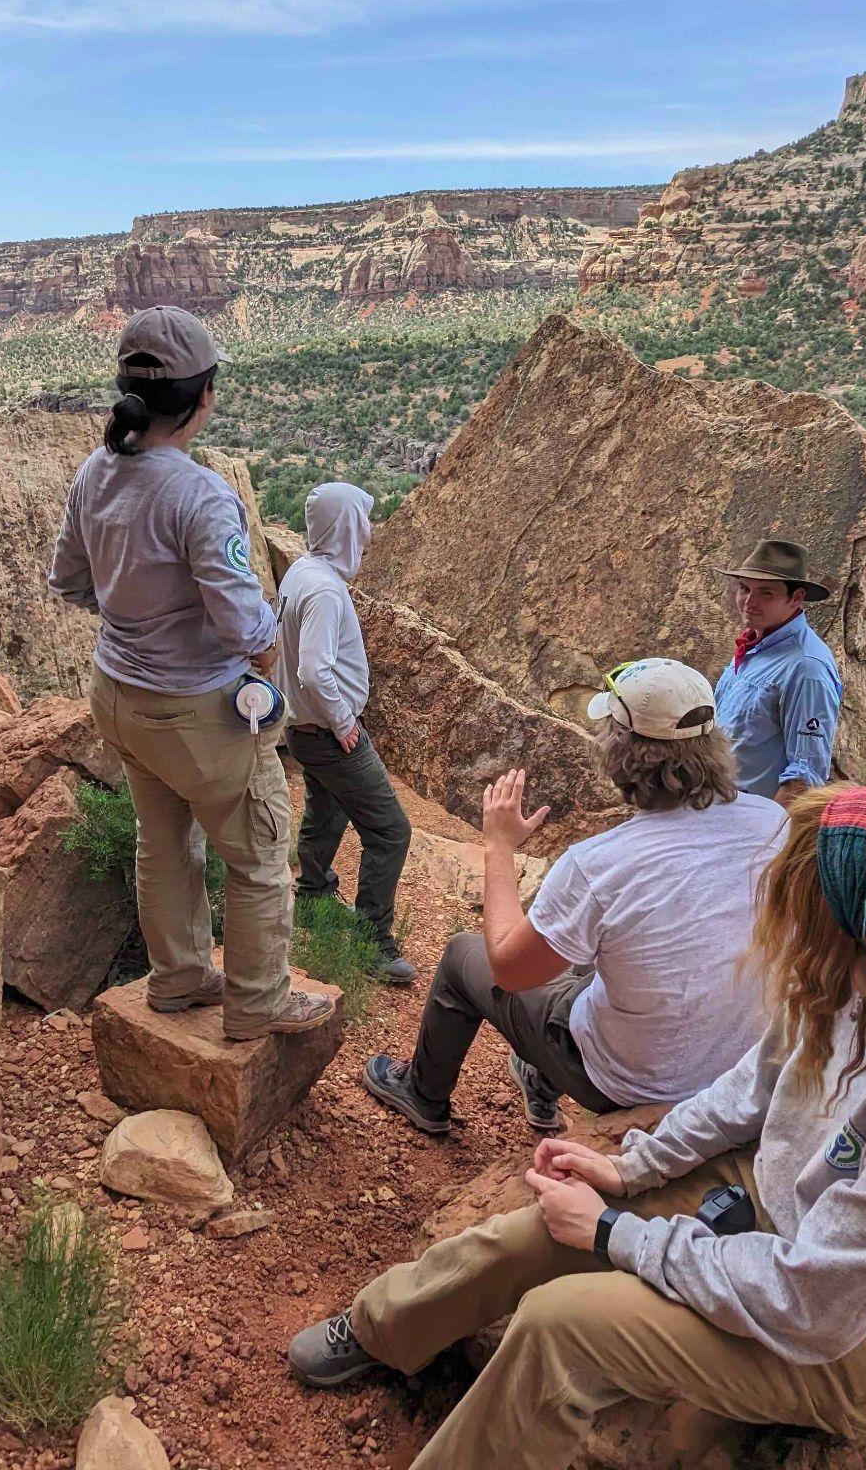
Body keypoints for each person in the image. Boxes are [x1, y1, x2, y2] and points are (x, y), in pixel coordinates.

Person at [289, 784, 866, 1470]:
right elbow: (752, 1089)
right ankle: (381, 1327)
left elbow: (814, 1308)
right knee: (527, 1236)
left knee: (562, 1331)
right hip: (787, 1222)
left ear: (863, 934)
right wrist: (633, 1169)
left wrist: (614, 1238)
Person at [49, 306, 332, 1042]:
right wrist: (267, 656)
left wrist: (135, 618)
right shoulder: (200, 494)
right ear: (203, 396)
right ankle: (259, 1004)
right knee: (262, 855)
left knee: (164, 837)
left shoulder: (96, 468)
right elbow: (245, 626)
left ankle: (177, 980)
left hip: (118, 694)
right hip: (195, 711)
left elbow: (70, 581)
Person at [360, 658, 786, 1137]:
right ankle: (539, 1079)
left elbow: (508, 969)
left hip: (630, 1081)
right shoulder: (773, 823)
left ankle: (422, 1093)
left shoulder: (597, 865)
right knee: (596, 953)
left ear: (619, 749)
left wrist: (498, 846)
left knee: (465, 956)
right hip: (733, 1070)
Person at [279, 482, 414, 986]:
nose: (369, 531)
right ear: (346, 527)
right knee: (390, 830)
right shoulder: (326, 591)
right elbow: (315, 669)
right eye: (363, 521)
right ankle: (371, 940)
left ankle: (313, 894)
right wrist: (343, 722)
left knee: (326, 808)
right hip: (328, 732)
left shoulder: (301, 572)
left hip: (303, 729)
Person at [712, 539, 843, 805]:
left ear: (796, 598)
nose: (749, 602)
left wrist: (768, 839)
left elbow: (804, 777)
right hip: (716, 813)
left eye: (766, 593)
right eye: (744, 589)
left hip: (751, 828)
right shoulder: (753, 647)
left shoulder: (807, 668)